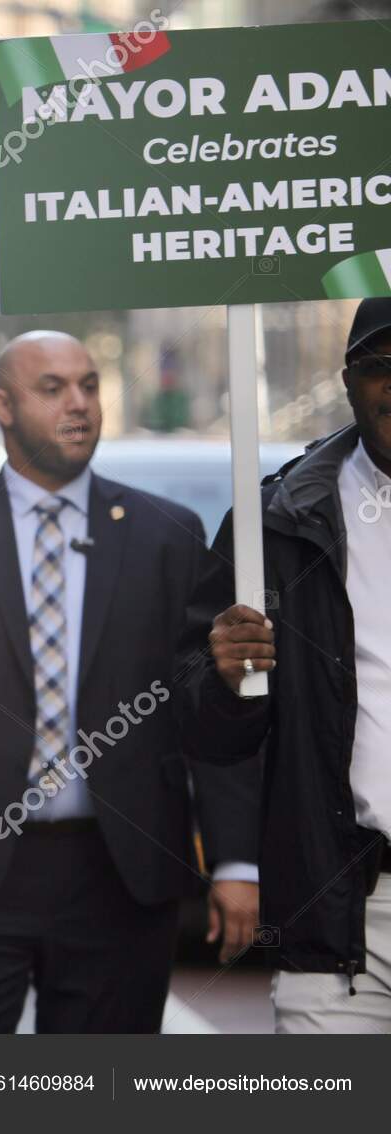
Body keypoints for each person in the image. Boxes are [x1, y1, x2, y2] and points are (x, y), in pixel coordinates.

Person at [0, 331, 262, 1033]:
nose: (79, 405)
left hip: (122, 875)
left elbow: (208, 708)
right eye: (53, 388)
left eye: (89, 386)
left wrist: (235, 860)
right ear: (3, 406)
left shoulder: (168, 534)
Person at [178, 297, 391, 1032]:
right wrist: (227, 681)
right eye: (377, 366)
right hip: (342, 913)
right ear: (346, 379)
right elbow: (204, 729)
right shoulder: (273, 523)